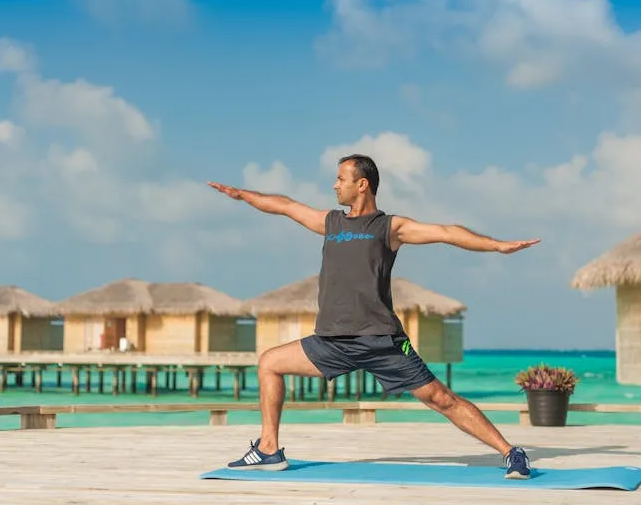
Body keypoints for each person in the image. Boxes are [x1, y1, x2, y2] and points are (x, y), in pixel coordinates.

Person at [207, 154, 541, 479]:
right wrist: (242, 195)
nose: (335, 185)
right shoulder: (331, 222)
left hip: (383, 341)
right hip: (332, 341)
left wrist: (496, 245)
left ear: (362, 184)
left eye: (341, 179)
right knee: (269, 362)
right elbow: (285, 206)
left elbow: (448, 232)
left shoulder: (390, 228)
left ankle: (511, 451)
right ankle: (269, 449)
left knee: (441, 399)